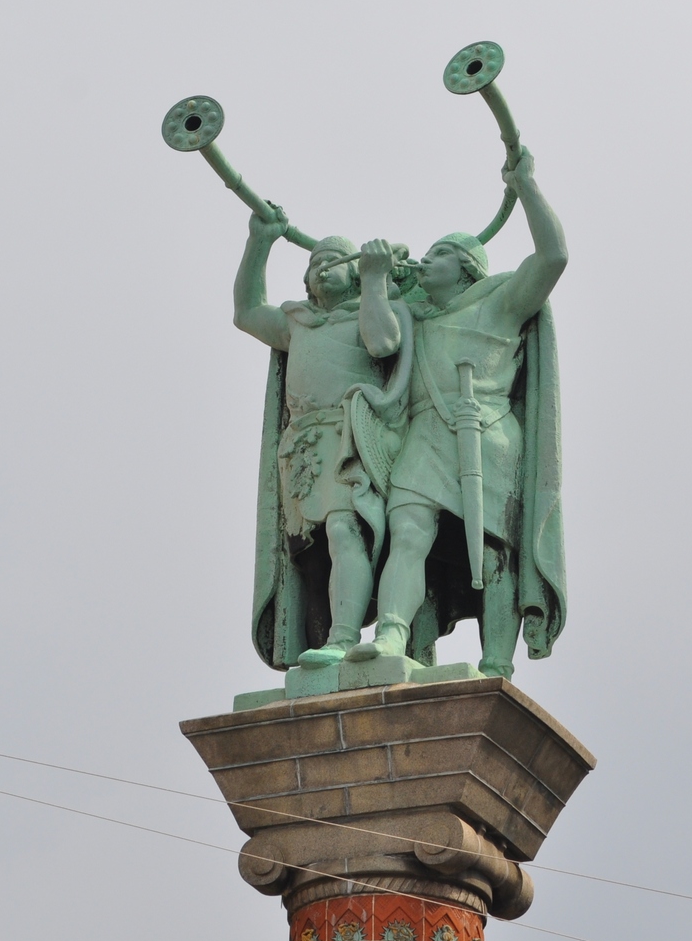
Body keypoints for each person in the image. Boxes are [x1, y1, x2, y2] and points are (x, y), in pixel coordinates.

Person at [345, 147, 568, 678]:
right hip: (425, 431)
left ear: (466, 268)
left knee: (492, 552)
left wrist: (527, 185)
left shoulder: (500, 300)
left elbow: (554, 256)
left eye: (439, 253)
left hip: (485, 429)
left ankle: (496, 663)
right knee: (408, 532)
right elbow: (378, 343)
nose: (426, 260)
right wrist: (374, 279)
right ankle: (393, 631)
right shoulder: (413, 313)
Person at [233, 211, 410, 670]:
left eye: (334, 261)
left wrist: (375, 280)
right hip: (301, 448)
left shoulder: (367, 310)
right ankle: (322, 635)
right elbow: (247, 311)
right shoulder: (298, 322)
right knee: (311, 558)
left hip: (349, 437)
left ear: (353, 273)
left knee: (344, 528)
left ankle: (344, 638)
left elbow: (384, 343)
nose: (323, 269)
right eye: (315, 264)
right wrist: (260, 242)